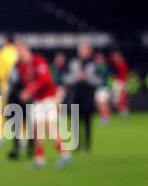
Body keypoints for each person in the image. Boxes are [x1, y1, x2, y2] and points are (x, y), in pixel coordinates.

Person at [17, 40, 69, 168]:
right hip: (38, 100)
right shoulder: (22, 67)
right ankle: (40, 159)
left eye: (20, 51)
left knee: (49, 126)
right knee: (37, 129)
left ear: (26, 50)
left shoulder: (38, 61)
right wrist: (28, 92)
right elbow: (28, 83)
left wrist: (30, 90)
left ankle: (65, 155)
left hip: (49, 98)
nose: (19, 54)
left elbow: (46, 79)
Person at [65, 43, 102, 153]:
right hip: (75, 95)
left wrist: (87, 78)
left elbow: (99, 80)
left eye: (86, 50)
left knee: (87, 121)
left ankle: (87, 145)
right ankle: (76, 144)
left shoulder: (94, 64)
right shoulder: (73, 63)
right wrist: (76, 78)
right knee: (75, 122)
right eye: (82, 50)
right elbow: (66, 78)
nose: (84, 52)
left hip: (88, 96)